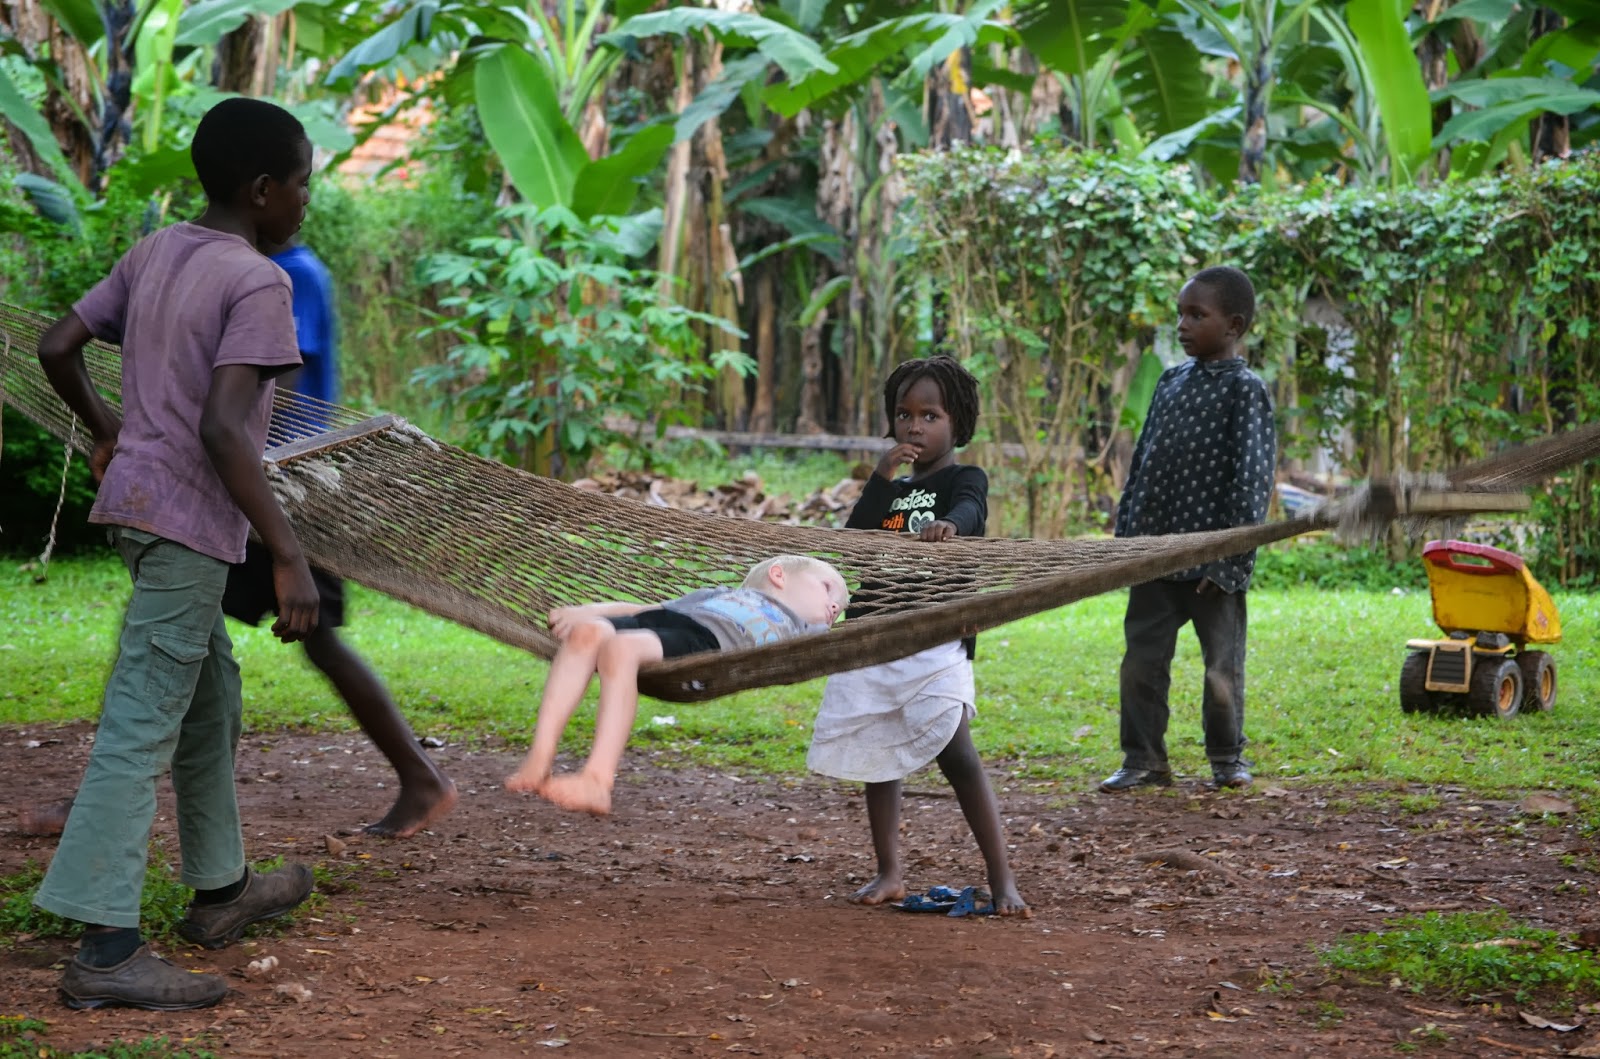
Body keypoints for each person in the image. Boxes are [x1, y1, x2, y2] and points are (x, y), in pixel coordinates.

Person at [29, 97, 323, 1012]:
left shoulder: (158, 251)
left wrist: (110, 427)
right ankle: (107, 951)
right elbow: (227, 430)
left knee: (208, 692)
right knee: (139, 725)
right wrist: (288, 552)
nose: (307, 201)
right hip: (191, 522)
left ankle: (221, 889)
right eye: (304, 183)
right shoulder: (257, 280)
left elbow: (57, 344)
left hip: (135, 510)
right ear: (264, 189)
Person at [21, 241, 457, 842]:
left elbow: (279, 389)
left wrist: (239, 477)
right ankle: (418, 777)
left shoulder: (289, 275)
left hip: (275, 488)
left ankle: (420, 777)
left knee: (199, 632)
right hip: (250, 485)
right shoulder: (249, 271)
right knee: (186, 630)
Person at [807, 356, 1028, 917]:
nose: (915, 427)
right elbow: (856, 540)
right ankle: (890, 871)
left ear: (958, 424)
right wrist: (880, 479)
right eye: (904, 415)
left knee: (958, 754)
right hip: (876, 634)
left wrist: (951, 526)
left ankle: (1002, 879)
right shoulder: (892, 488)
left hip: (934, 635)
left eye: (930, 415)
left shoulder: (963, 479)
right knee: (878, 754)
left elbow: (971, 511)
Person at [1099, 265, 1277, 794]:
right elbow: (1144, 464)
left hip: (1212, 564)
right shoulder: (1170, 380)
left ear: (1234, 325)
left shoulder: (1246, 390)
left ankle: (1226, 758)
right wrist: (1127, 543)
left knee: (1222, 669)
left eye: (1197, 315)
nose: (1183, 324)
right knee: (1141, 664)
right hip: (1155, 556)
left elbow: (1251, 480)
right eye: (1181, 313)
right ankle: (1143, 758)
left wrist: (1229, 561)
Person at [506, 555, 850, 816]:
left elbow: (837, 643)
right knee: (588, 633)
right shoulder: (722, 594)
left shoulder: (807, 631)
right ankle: (541, 754)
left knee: (620, 648)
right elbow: (653, 609)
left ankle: (597, 779)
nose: (834, 606)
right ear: (778, 575)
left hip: (711, 644)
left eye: (839, 608)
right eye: (828, 589)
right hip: (676, 620)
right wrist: (591, 611)